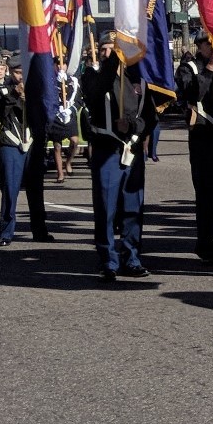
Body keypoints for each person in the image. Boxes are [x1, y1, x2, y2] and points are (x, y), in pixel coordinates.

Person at [81, 47, 152, 281]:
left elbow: (151, 118)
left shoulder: (139, 79)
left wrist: (133, 127)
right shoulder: (93, 75)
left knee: (133, 209)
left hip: (132, 150)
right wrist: (115, 57)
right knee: (106, 209)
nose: (111, 53)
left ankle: (132, 258)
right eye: (106, 49)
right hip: (107, 150)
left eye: (117, 49)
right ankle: (108, 260)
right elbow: (96, 91)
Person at [176, 35, 213, 263]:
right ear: (200, 46)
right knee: (207, 194)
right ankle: (205, 242)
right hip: (203, 137)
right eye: (209, 43)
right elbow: (191, 94)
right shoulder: (188, 68)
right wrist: (208, 69)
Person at [0, 62, 53, 248]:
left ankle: (39, 230)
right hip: (11, 143)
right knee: (10, 189)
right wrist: (15, 94)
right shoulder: (1, 90)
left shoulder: (38, 90)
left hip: (33, 144)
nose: (21, 77)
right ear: (11, 72)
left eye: (24, 73)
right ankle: (6, 232)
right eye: (18, 73)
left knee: (36, 189)